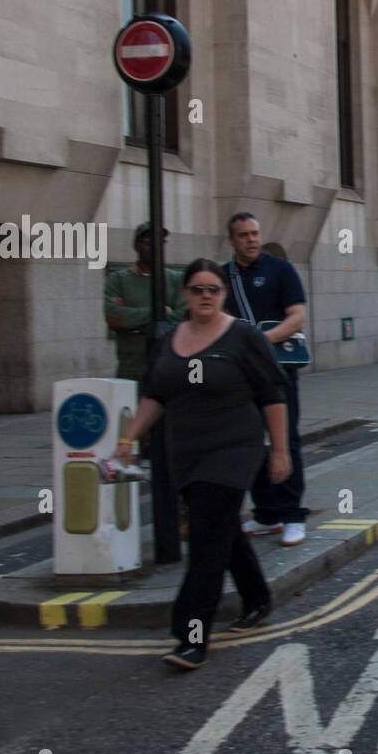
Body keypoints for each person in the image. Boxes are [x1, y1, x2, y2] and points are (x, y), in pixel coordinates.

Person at [114, 258, 291, 670]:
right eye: (198, 289)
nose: (206, 296)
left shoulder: (245, 337)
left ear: (224, 294)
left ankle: (191, 636)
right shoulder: (168, 338)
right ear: (185, 294)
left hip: (233, 449)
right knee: (221, 529)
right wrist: (128, 439)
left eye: (213, 289)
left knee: (205, 541)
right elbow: (155, 395)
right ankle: (257, 598)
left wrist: (280, 451)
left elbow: (272, 395)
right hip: (185, 452)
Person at [222, 212, 309, 546]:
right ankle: (266, 514)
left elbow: (297, 316)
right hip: (241, 373)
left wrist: (263, 340)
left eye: (255, 233)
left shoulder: (280, 270)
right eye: (243, 235)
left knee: (285, 440)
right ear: (232, 240)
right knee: (250, 442)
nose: (252, 240)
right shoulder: (223, 276)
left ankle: (292, 515)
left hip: (278, 369)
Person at [103, 223, 186, 381]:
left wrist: (133, 321)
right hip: (131, 368)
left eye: (160, 242)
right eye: (148, 242)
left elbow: (182, 321)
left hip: (169, 365)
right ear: (136, 245)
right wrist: (161, 313)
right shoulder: (118, 280)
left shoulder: (176, 280)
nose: (155, 247)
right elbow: (114, 318)